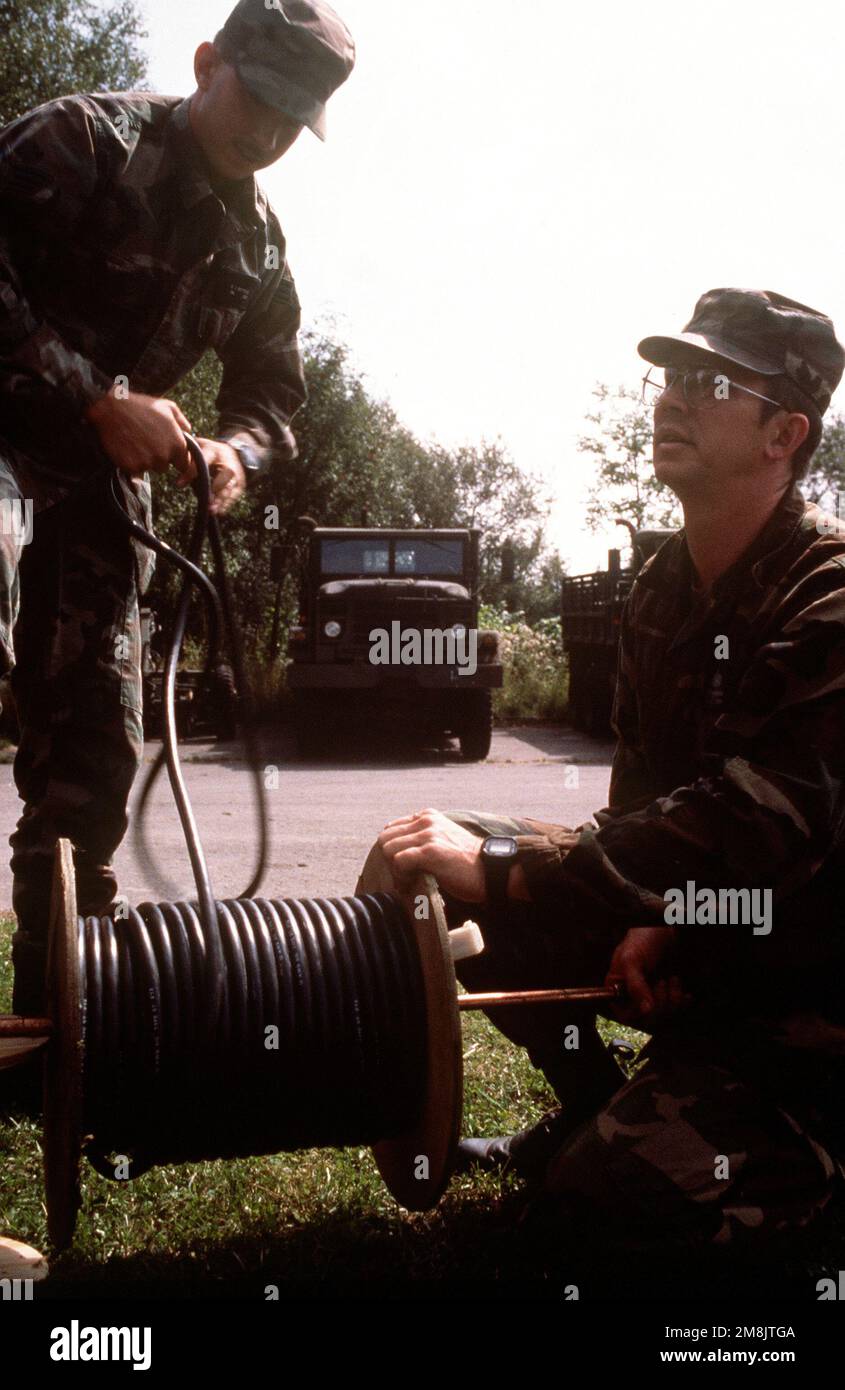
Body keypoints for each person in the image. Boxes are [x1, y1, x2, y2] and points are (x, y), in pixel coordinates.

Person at [375, 288, 845, 1259]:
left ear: (783, 432)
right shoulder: (659, 593)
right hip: (729, 954)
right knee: (442, 848)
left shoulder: (827, 598)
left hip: (817, 1016)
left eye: (707, 382)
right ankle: (603, 1104)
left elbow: (761, 821)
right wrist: (655, 918)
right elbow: (643, 815)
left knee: (598, 1209)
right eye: (667, 377)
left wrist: (514, 872)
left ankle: (809, 1158)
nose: (669, 399)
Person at [0, 0, 355, 1024]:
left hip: (97, 502)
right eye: (260, 99)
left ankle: (58, 1015)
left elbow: (271, 402)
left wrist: (229, 454)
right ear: (205, 62)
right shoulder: (77, 142)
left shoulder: (257, 251)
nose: (271, 134)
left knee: (95, 749)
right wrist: (92, 398)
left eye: (297, 119)